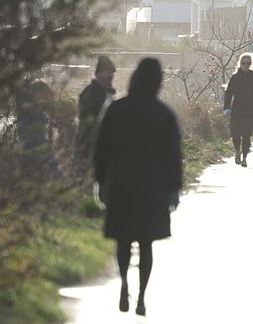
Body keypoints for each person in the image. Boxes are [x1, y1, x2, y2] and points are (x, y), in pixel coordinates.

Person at [94, 58, 183, 317]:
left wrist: (100, 181)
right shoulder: (164, 114)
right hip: (152, 185)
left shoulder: (116, 109)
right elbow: (173, 155)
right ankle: (142, 296)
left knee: (123, 240)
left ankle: (123, 284)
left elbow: (101, 150)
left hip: (121, 181)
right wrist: (174, 188)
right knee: (146, 243)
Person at [223, 52, 253, 167]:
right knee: (236, 134)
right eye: (243, 63)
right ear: (240, 64)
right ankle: (237, 151)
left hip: (250, 110)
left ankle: (244, 158)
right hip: (237, 109)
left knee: (247, 135)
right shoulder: (235, 77)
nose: (245, 65)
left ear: (251, 64)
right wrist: (226, 108)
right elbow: (228, 94)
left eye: (248, 63)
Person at [76, 56, 116, 167]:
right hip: (90, 147)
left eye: (112, 73)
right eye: (107, 72)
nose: (111, 76)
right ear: (98, 73)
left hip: (101, 147)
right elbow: (87, 123)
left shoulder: (106, 93)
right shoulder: (92, 93)